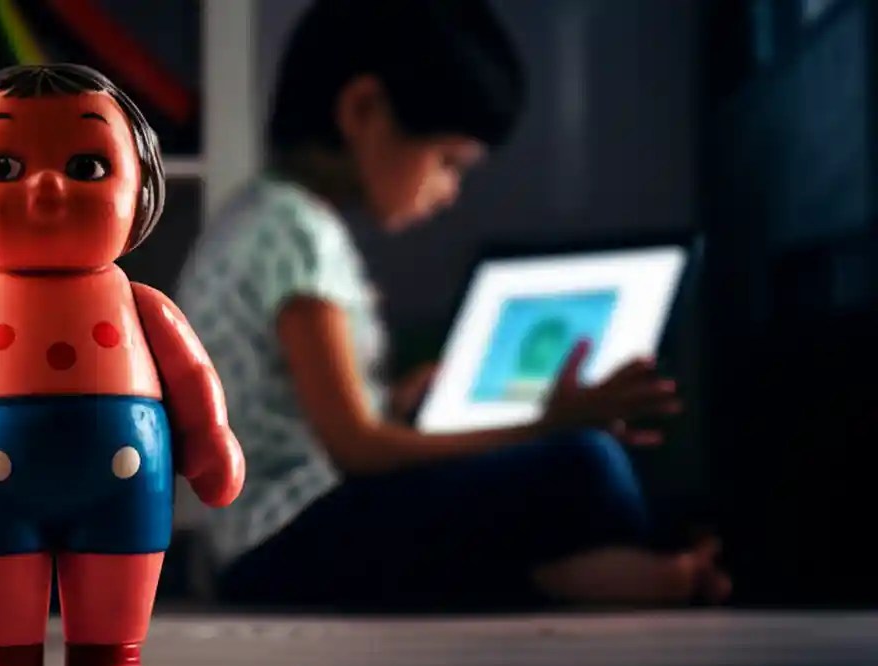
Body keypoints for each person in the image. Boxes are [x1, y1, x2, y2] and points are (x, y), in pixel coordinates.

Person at [173, 0, 731, 611]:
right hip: (286, 545)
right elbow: (356, 448)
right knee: (586, 460)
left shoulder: (263, 217)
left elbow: (317, 419)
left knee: (559, 484)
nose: (449, 192)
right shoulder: (296, 234)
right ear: (364, 110)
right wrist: (549, 423)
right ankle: (631, 571)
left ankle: (606, 576)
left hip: (269, 545)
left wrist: (400, 402)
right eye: (447, 163)